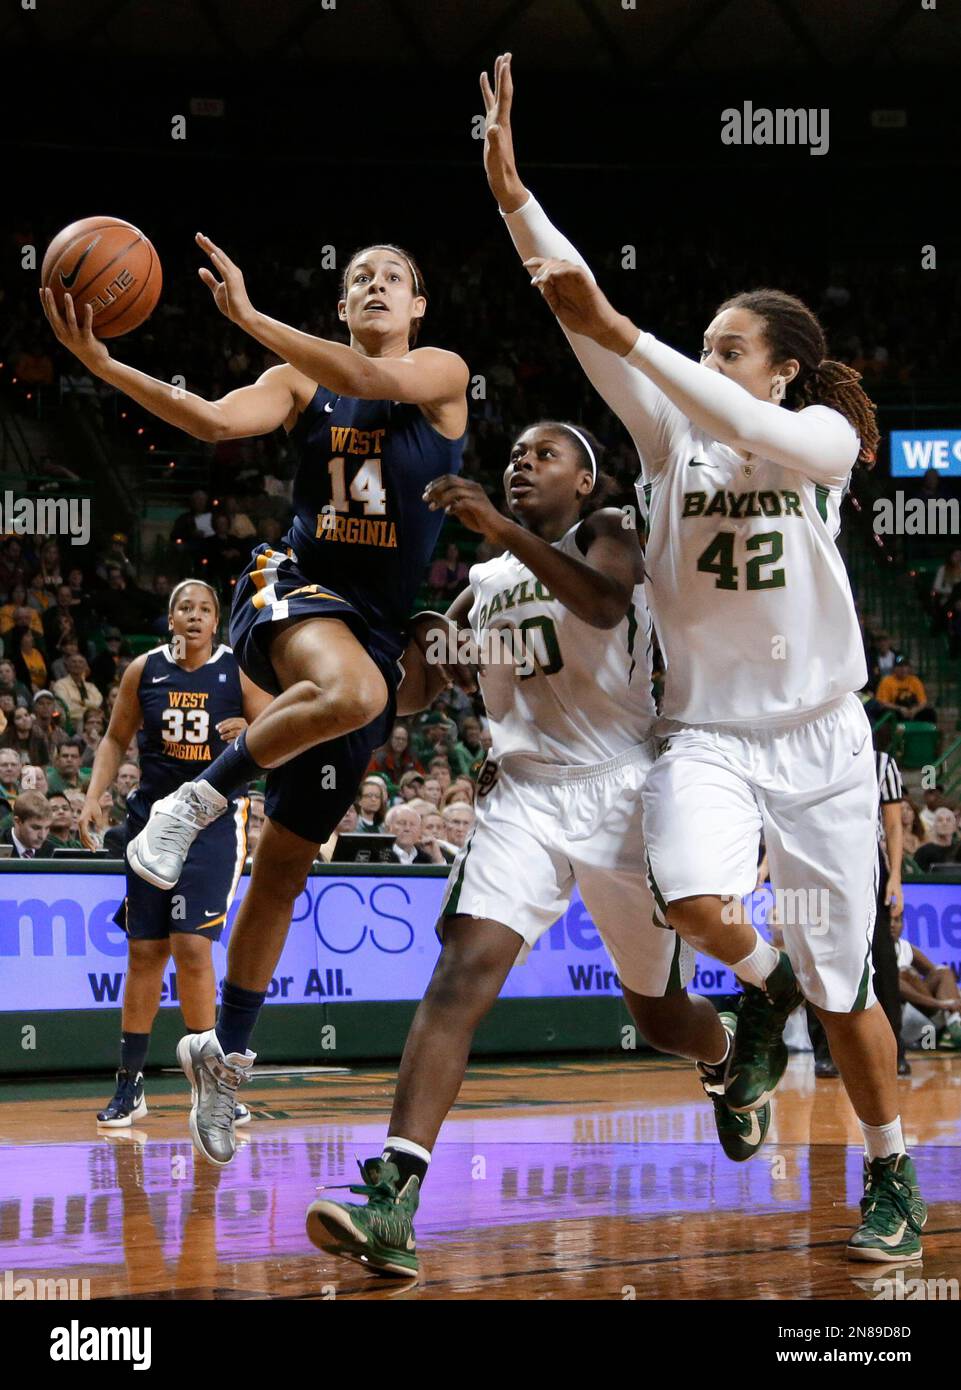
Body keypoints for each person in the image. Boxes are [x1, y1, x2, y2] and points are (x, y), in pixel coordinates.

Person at [473, 53, 925, 1261]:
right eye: (704, 346)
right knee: (693, 902)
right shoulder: (666, 431)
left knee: (848, 988)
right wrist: (513, 195)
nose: (707, 360)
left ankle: (890, 1172)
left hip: (821, 738)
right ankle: (764, 995)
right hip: (709, 734)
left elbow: (702, 390)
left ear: (781, 365)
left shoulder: (819, 435)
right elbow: (571, 303)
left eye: (730, 347)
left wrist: (630, 330)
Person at [42, 233, 468, 1166]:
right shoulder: (299, 380)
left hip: (377, 625)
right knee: (355, 690)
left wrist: (248, 314)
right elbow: (208, 420)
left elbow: (374, 377)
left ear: (418, 306)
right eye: (357, 277)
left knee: (281, 870)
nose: (374, 285)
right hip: (292, 586)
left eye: (392, 277)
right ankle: (190, 807)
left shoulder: (440, 373)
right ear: (341, 305)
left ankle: (224, 1060)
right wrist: (105, 365)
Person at [307, 418, 764, 1277]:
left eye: (544, 454)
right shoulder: (482, 582)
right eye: (515, 455)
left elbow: (602, 603)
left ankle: (724, 1048)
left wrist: (493, 525)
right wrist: (364, 645)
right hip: (521, 794)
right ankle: (394, 1196)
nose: (522, 463)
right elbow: (420, 686)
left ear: (583, 480)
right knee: (461, 972)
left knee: (658, 1017)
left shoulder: (609, 531)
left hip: (622, 793)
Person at [79, 580, 270, 1131]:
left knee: (192, 945)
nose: (194, 615)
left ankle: (211, 1088)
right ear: (170, 619)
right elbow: (114, 739)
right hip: (151, 822)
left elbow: (280, 729)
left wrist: (252, 728)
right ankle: (129, 1084)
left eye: (204, 608)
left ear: (216, 622)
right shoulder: (144, 670)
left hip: (213, 822)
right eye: (184, 607)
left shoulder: (237, 670)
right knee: (145, 953)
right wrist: (93, 796)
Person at [892, 919, 961, 1052]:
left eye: (897, 920)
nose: (892, 924)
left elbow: (936, 974)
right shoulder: (871, 949)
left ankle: (952, 1023)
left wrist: (954, 998)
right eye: (888, 920)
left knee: (944, 972)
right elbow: (893, 984)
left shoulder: (905, 947)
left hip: (923, 1014)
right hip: (895, 1015)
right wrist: (939, 1004)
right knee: (903, 974)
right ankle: (949, 1023)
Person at [874, 658, 937, 725]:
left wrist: (915, 710)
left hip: (912, 711)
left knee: (930, 713)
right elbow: (882, 703)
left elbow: (923, 702)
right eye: (900, 666)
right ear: (894, 668)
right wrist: (899, 708)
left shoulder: (915, 680)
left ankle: (927, 731)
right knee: (887, 713)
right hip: (896, 711)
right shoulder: (886, 681)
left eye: (905, 666)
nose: (903, 669)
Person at [52, 652, 103, 729]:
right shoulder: (60, 685)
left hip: (93, 720)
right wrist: (89, 712)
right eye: (74, 662)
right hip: (72, 723)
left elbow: (98, 703)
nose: (77, 664)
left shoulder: (91, 687)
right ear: (67, 666)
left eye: (80, 662)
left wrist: (83, 702)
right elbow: (67, 707)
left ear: (85, 667)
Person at [0, 790, 55, 858]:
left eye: (47, 828)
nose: (42, 836)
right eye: (36, 828)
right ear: (17, 822)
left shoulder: (52, 852)